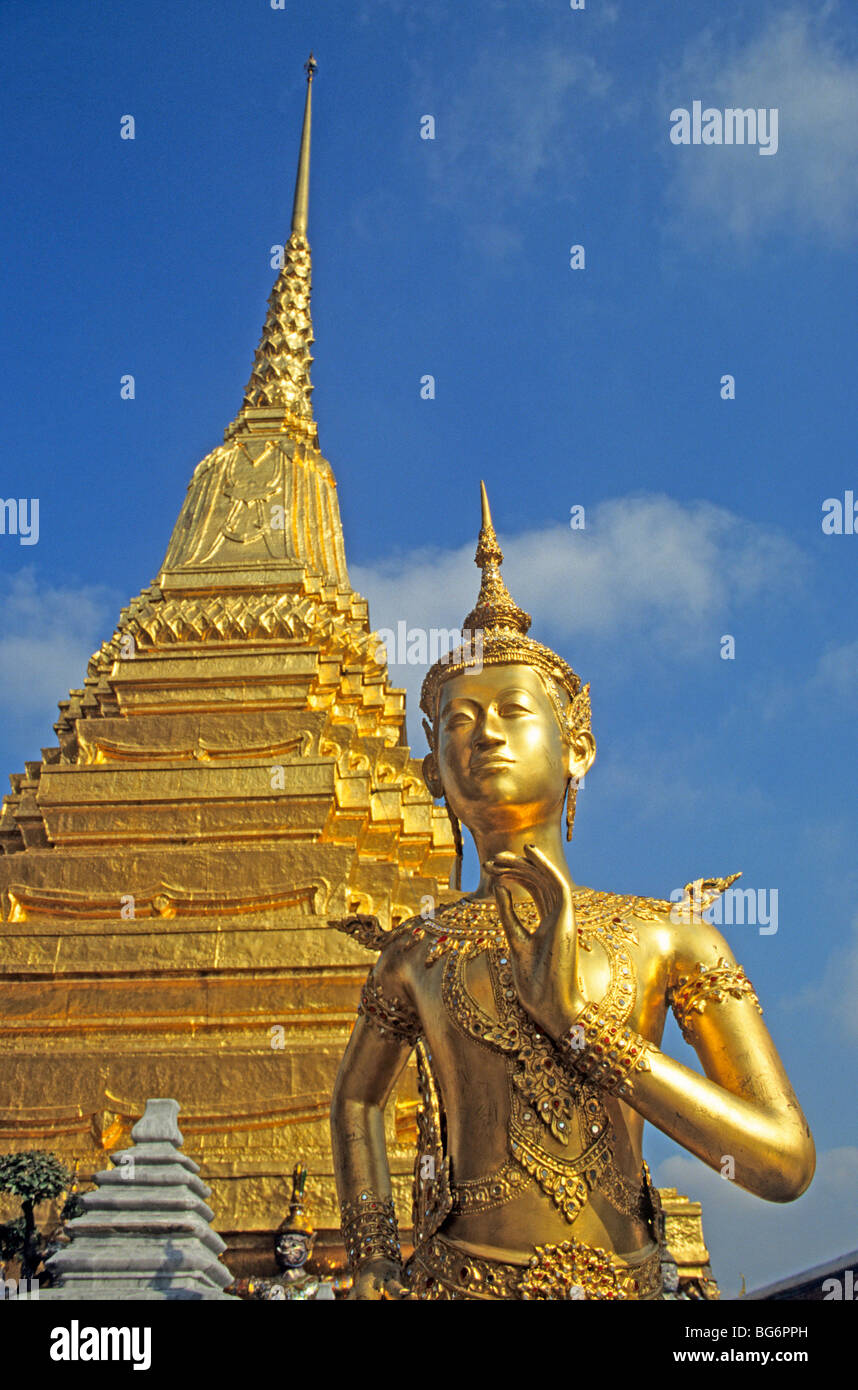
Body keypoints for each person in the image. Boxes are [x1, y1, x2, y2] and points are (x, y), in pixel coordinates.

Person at [330, 484, 814, 1300]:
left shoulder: (665, 937)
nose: (482, 732)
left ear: (577, 747)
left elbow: (783, 1162)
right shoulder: (419, 951)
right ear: (431, 774)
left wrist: (583, 1031)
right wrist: (375, 1253)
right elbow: (355, 1101)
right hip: (458, 1284)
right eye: (457, 720)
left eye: (513, 711)